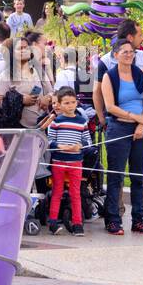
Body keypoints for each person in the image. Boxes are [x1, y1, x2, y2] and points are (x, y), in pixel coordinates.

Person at [100, 39, 143, 235]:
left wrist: (142, 123)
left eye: (131, 51)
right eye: (124, 51)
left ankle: (139, 219)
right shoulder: (109, 76)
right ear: (115, 55)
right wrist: (134, 117)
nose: (129, 55)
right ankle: (113, 219)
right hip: (119, 128)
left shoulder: (140, 73)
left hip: (141, 129)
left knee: (138, 175)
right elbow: (110, 107)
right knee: (116, 175)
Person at [94, 19, 143, 126]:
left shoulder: (141, 56)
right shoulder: (105, 62)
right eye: (140, 35)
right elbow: (97, 92)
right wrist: (101, 118)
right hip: (117, 122)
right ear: (130, 37)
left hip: (142, 118)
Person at [46, 88, 92, 235]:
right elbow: (49, 141)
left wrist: (80, 145)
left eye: (73, 102)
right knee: (57, 192)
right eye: (66, 103)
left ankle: (77, 224)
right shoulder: (56, 122)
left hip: (76, 163)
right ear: (59, 104)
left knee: (75, 193)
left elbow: (88, 141)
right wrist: (61, 146)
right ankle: (53, 222)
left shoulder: (82, 122)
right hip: (59, 162)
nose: (70, 105)